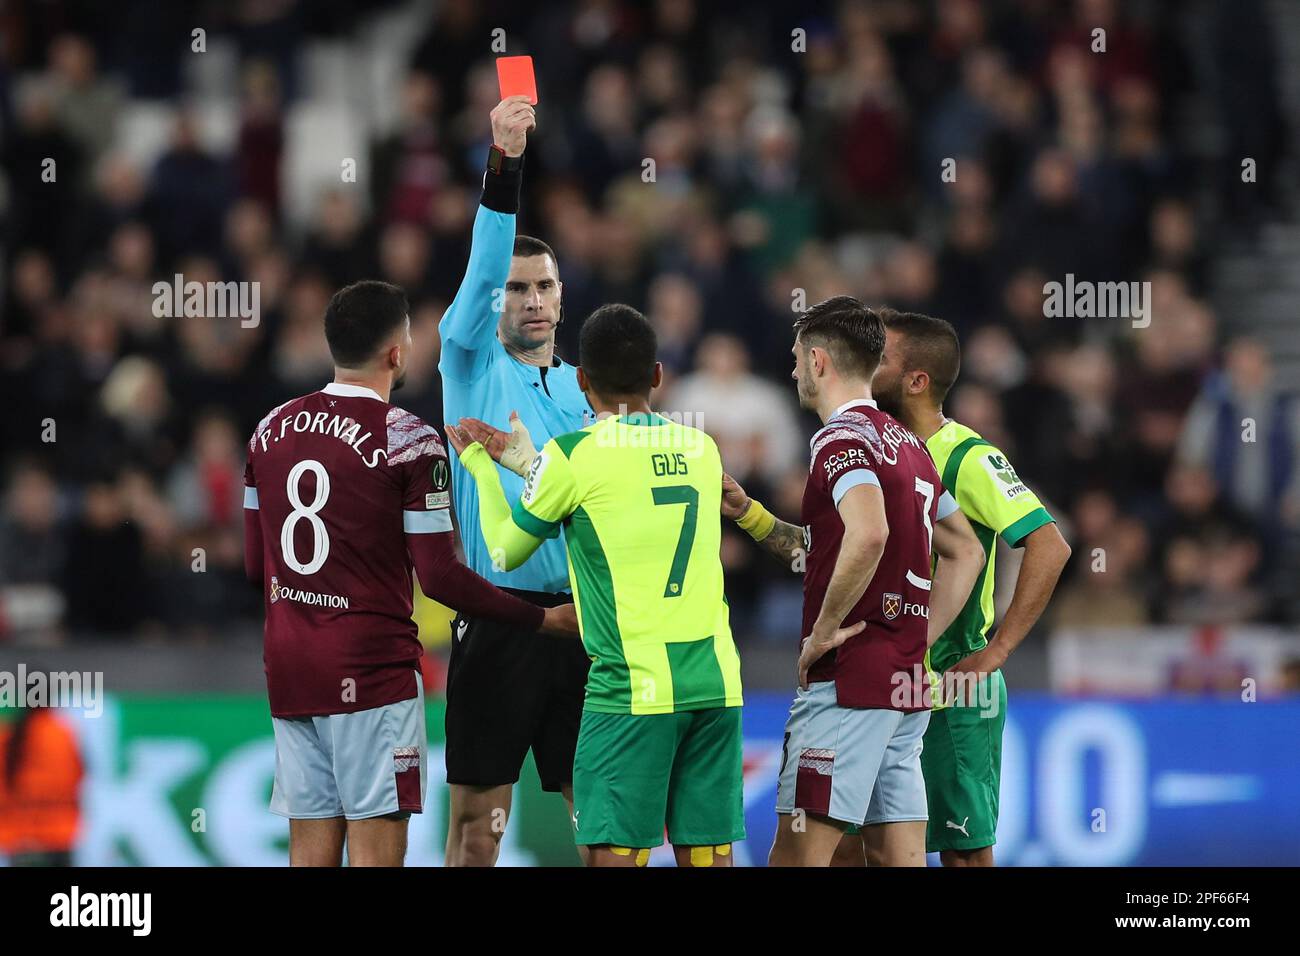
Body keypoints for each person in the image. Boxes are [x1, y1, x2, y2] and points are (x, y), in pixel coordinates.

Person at [243, 279, 576, 867]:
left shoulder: (269, 430)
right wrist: (542, 619)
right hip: (371, 674)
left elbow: (254, 564)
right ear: (397, 352)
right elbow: (441, 577)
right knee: (376, 850)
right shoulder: (408, 440)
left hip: (291, 667)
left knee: (310, 843)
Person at [444, 304, 745, 867]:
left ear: (580, 380)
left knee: (613, 852)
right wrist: (531, 466)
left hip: (632, 688)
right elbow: (625, 501)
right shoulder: (702, 450)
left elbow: (507, 552)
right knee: (707, 856)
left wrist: (485, 471)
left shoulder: (573, 454)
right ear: (657, 376)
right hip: (716, 683)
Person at [722, 296, 984, 867]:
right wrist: (750, 514)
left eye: (796, 358)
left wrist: (824, 630)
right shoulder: (910, 445)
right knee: (898, 859)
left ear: (819, 362)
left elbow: (868, 535)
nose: (792, 370)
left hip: (849, 681)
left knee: (796, 859)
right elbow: (966, 551)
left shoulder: (839, 441)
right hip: (904, 685)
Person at [841, 308, 1070, 868]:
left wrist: (998, 649)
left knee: (964, 855)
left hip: (950, 686)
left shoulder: (969, 457)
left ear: (917, 380)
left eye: (881, 359)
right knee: (858, 848)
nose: (866, 368)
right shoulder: (875, 446)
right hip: (880, 679)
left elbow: (1050, 544)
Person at [436, 95, 594, 866]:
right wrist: (505, 165)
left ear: (564, 295)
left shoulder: (586, 391)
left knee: (602, 823)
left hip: (588, 621)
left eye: (545, 287)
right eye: (516, 288)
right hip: (498, 619)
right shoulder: (468, 363)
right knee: (475, 833)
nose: (532, 301)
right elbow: (481, 269)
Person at [0, 703, 83, 866]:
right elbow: (77, 776)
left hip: (19, 837)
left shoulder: (8, 734)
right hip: (58, 833)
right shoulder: (62, 733)